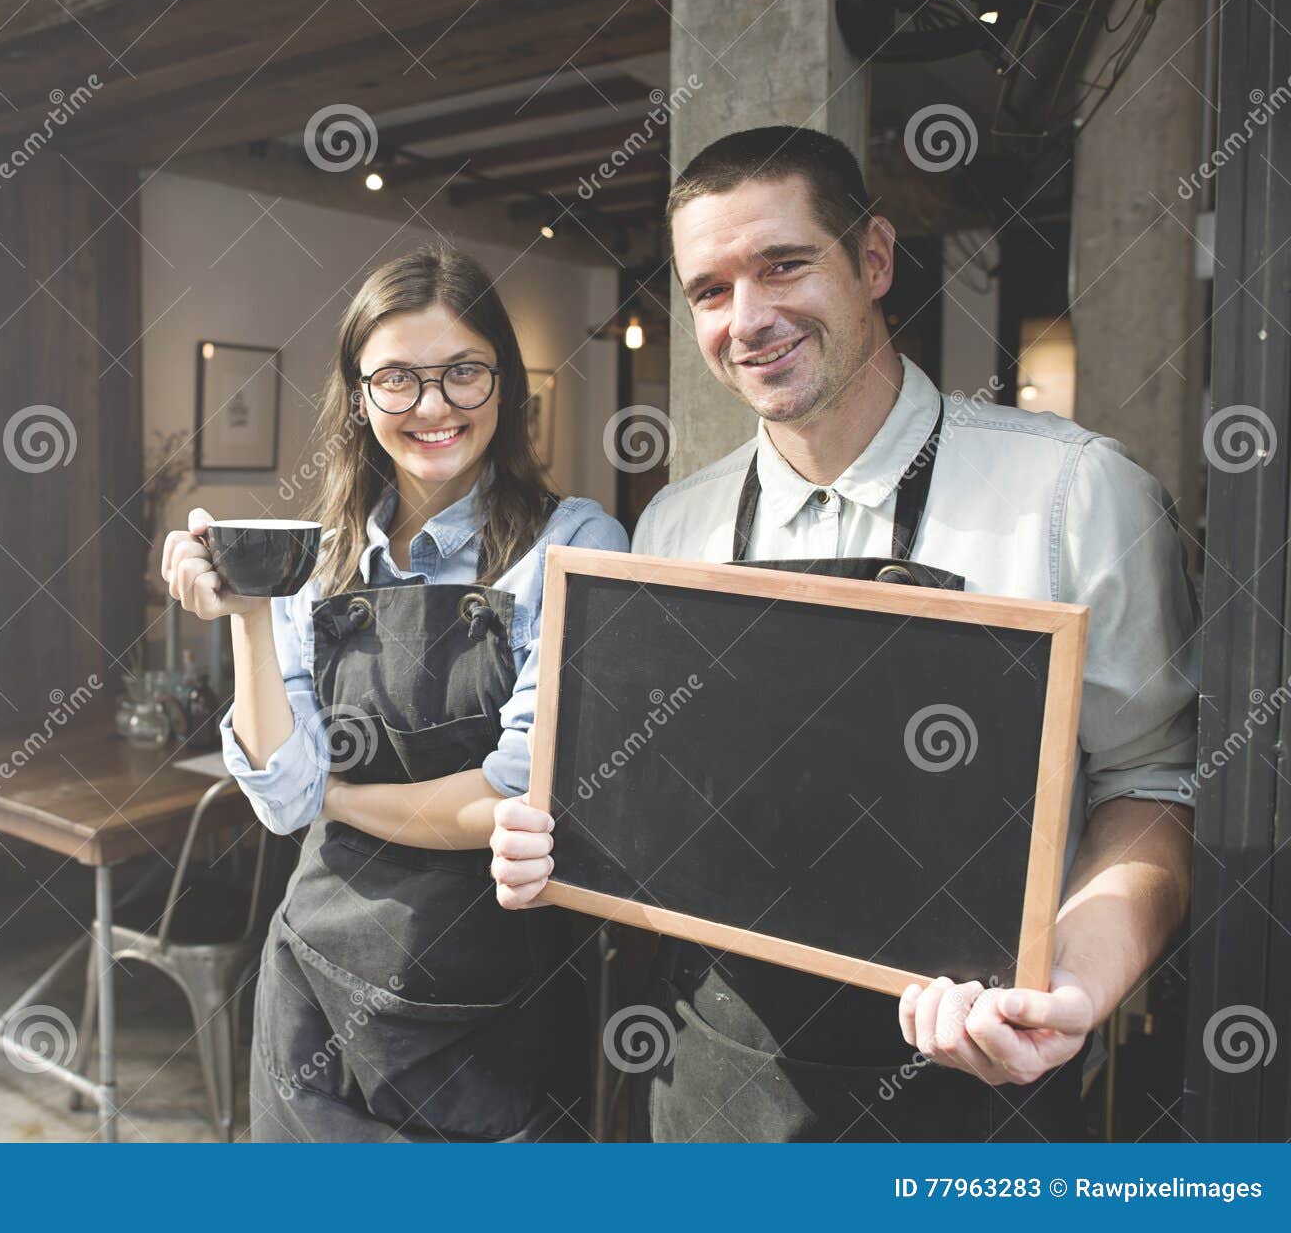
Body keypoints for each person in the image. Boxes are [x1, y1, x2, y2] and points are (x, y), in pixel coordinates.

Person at [489, 127, 1199, 1142]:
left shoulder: (1074, 495)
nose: (749, 318)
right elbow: (657, 803)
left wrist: (1074, 986)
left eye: (783, 265)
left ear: (873, 259)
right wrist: (558, 836)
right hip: (713, 1073)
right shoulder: (674, 526)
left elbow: (1153, 784)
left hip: (971, 1074)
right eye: (710, 290)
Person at [162, 245, 626, 1142]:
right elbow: (279, 801)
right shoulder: (316, 557)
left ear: (505, 385)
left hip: (492, 1013)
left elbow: (513, 799)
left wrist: (333, 797)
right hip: (313, 1000)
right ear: (359, 396)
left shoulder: (573, 546)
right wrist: (247, 613)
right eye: (398, 379)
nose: (433, 405)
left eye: (463, 372)